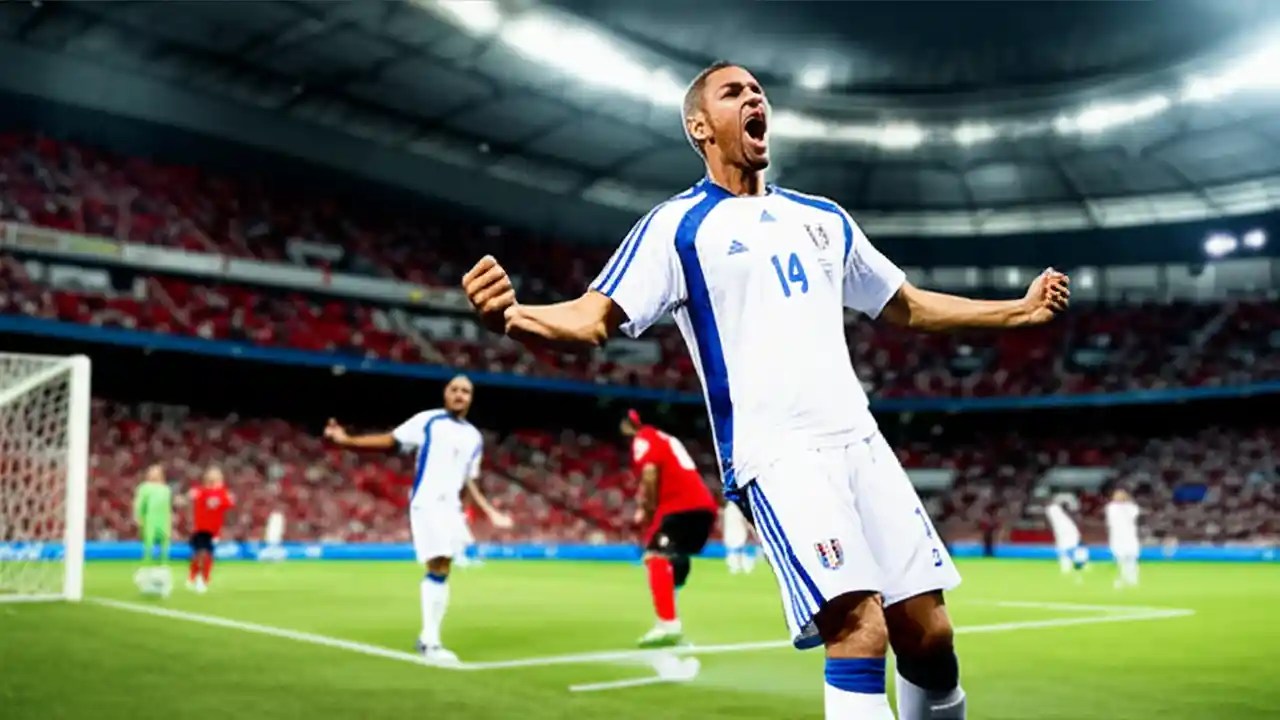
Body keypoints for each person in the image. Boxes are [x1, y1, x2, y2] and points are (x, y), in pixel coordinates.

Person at [462, 61, 1070, 720]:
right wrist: (514, 317)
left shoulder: (823, 219)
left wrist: (1018, 310)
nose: (754, 97)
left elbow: (906, 306)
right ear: (700, 127)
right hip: (777, 456)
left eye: (757, 90)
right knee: (857, 628)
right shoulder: (677, 227)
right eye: (733, 92)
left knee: (931, 639)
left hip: (861, 442)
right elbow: (592, 318)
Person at [323, 375, 512, 664]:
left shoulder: (474, 437)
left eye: (465, 391)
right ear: (445, 394)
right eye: (455, 390)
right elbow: (391, 441)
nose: (460, 395)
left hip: (451, 508)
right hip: (427, 502)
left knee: (443, 567)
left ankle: (428, 638)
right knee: (439, 562)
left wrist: (476, 511)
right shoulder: (429, 421)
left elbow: (469, 479)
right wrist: (347, 440)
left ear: (471, 398)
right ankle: (430, 642)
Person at [620, 409, 718, 647]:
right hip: (702, 507)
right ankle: (669, 607)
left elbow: (650, 473)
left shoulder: (643, 437)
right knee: (675, 558)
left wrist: (647, 509)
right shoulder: (665, 438)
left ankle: (668, 624)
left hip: (680, 508)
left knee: (655, 557)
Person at [188, 466, 234, 593]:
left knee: (206, 554)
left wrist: (220, 494)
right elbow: (193, 497)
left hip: (213, 531)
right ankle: (195, 577)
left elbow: (229, 503)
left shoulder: (222, 493)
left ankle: (203, 579)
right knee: (199, 554)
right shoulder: (200, 491)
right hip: (200, 528)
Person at [132, 463, 173, 596]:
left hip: (163, 521)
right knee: (149, 547)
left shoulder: (166, 489)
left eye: (155, 471)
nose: (153, 473)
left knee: (164, 547)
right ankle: (146, 574)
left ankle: (163, 574)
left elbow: (168, 507)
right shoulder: (144, 488)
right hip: (150, 520)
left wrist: (169, 519)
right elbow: (139, 503)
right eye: (151, 471)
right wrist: (138, 516)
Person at [1105, 489, 1141, 588]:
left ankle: (1132, 580)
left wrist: (1126, 504)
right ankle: (1120, 579)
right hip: (1117, 538)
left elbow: (1134, 515)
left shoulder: (1132, 507)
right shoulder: (1111, 507)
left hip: (1129, 537)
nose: (1118, 497)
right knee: (1120, 560)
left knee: (1131, 559)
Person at [1046, 493, 1087, 577]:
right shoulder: (1053, 510)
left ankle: (1077, 568)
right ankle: (1071, 570)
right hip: (1065, 536)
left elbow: (1076, 515)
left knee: (1079, 549)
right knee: (1066, 555)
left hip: (1069, 536)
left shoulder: (1066, 516)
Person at [722, 495, 756, 575]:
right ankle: (742, 567)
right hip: (737, 532)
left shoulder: (729, 508)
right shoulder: (737, 508)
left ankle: (735, 567)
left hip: (732, 533)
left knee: (734, 550)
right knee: (739, 550)